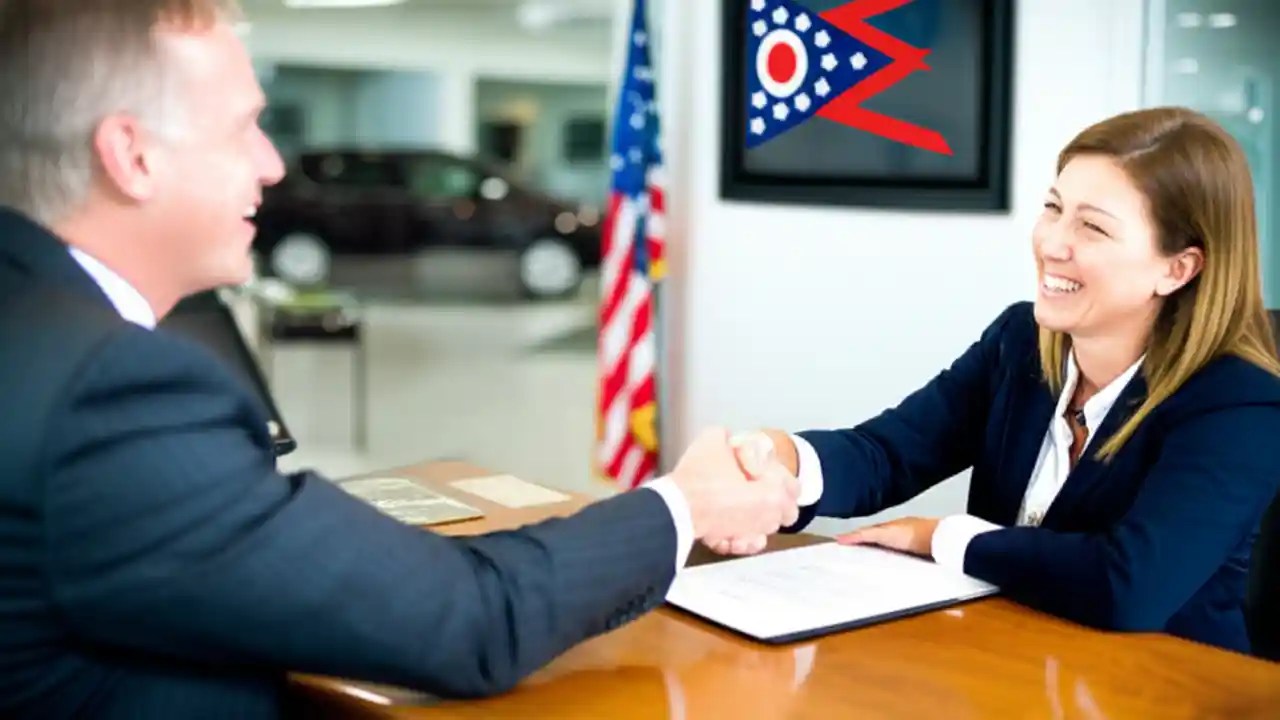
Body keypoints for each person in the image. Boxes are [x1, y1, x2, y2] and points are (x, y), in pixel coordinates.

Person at [0, 2, 798, 718]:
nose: (273, 165)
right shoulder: (113, 393)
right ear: (131, 155)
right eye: (244, 127)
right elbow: (470, 624)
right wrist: (684, 505)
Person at [715, 106, 1280, 655]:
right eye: (1053, 208)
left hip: (1172, 690)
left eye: (1092, 227)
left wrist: (942, 538)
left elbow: (1127, 585)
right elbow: (887, 453)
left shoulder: (1240, 402)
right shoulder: (1019, 342)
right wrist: (781, 462)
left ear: (1176, 268)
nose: (1052, 243)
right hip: (1009, 659)